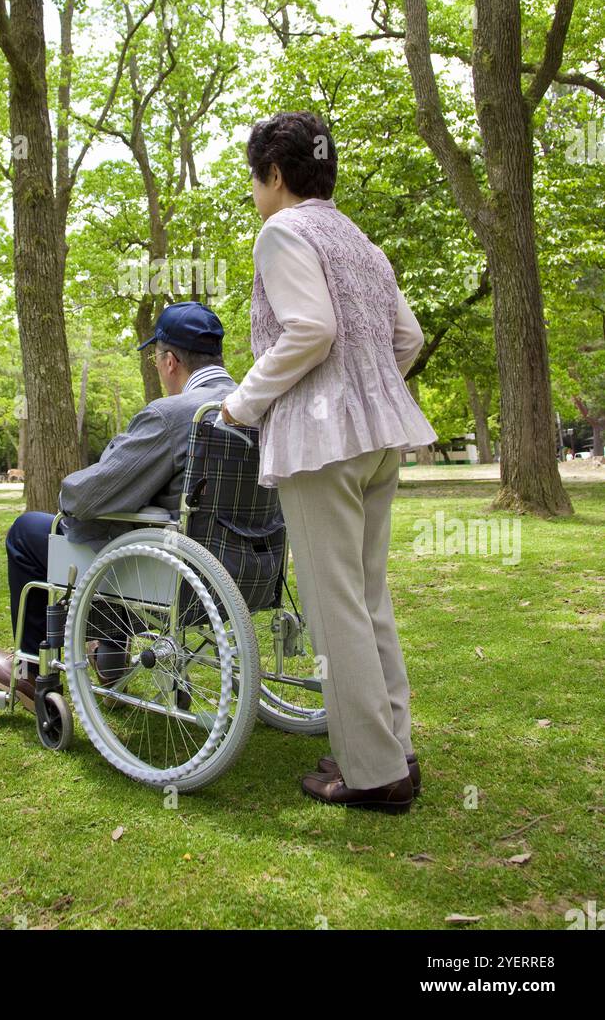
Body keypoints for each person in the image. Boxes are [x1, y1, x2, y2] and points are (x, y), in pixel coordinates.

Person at [221, 110, 437, 815]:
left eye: (255, 178)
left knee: (334, 606)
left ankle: (373, 775)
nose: (255, 192)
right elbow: (407, 338)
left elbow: (311, 329)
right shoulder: (361, 243)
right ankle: (391, 746)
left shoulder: (282, 231)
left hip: (320, 444)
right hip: (379, 439)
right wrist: (368, 388)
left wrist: (244, 403)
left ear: (275, 174)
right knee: (369, 598)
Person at [0, 302, 238, 709]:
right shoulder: (255, 406)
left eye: (156, 358)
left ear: (170, 361)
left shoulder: (172, 415)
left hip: (170, 573)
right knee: (127, 521)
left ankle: (30, 668)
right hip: (241, 567)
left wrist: (83, 480)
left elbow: (84, 496)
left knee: (32, 529)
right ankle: (111, 654)